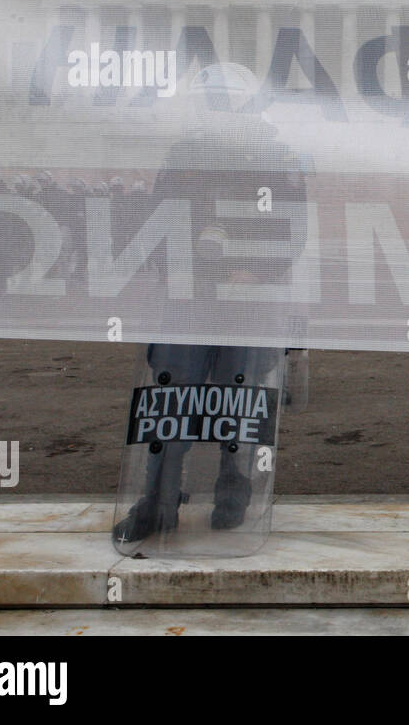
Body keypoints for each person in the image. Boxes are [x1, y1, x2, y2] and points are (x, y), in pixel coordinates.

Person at [113, 62, 307, 544]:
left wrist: (253, 269)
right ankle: (158, 500)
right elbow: (159, 222)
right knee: (171, 395)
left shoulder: (274, 155)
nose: (215, 107)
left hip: (250, 299)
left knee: (238, 396)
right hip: (189, 297)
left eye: (224, 98)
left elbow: (291, 232)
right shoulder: (184, 154)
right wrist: (178, 266)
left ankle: (234, 491)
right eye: (211, 98)